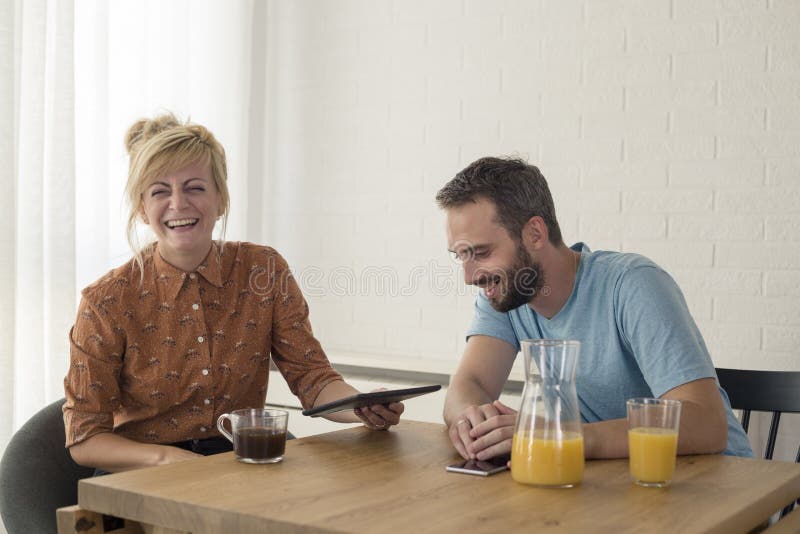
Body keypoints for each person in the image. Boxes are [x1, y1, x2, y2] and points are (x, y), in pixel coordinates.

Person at [63, 113, 403, 473]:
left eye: (195, 187)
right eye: (160, 191)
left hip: (240, 464)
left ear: (221, 198)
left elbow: (313, 378)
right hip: (146, 474)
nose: (178, 204)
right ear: (142, 209)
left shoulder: (264, 270)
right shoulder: (106, 301)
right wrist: (169, 459)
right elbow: (85, 437)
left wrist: (360, 406)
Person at [436, 156, 752, 462]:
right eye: (461, 255)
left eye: (481, 252)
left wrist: (563, 437)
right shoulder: (504, 292)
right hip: (616, 487)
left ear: (534, 233)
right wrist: (473, 421)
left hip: (716, 486)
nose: (469, 276)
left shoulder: (633, 285)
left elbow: (707, 425)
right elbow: (470, 384)